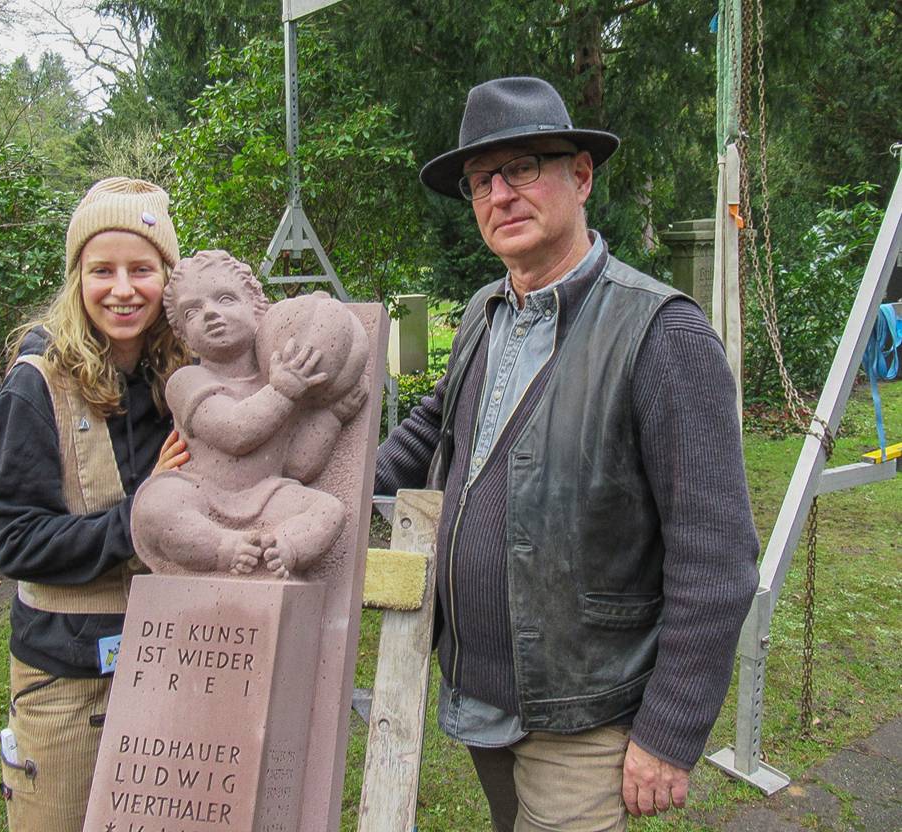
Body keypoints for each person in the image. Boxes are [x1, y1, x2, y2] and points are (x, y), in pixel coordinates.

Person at [375, 77, 760, 831]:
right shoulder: (490, 311)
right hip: (480, 695)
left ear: (579, 177)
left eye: (523, 168)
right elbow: (428, 432)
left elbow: (715, 558)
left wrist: (669, 730)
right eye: (481, 180)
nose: (500, 194)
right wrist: (312, 489)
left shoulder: (661, 335)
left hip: (584, 716)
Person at [0, 177, 190, 831]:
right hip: (67, 679)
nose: (122, 289)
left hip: (170, 661)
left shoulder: (182, 378)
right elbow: (16, 543)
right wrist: (143, 513)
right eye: (102, 270)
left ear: (168, 277)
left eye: (142, 269)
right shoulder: (35, 387)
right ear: (78, 278)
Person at [131, 249, 368, 579]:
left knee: (328, 510)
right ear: (184, 336)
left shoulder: (281, 381)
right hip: (201, 495)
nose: (210, 314)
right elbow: (234, 432)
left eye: (225, 299)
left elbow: (299, 465)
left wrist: (333, 417)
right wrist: (283, 392)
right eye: (192, 312)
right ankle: (223, 549)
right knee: (158, 506)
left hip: (268, 496)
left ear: (259, 310)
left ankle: (282, 549)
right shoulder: (187, 382)